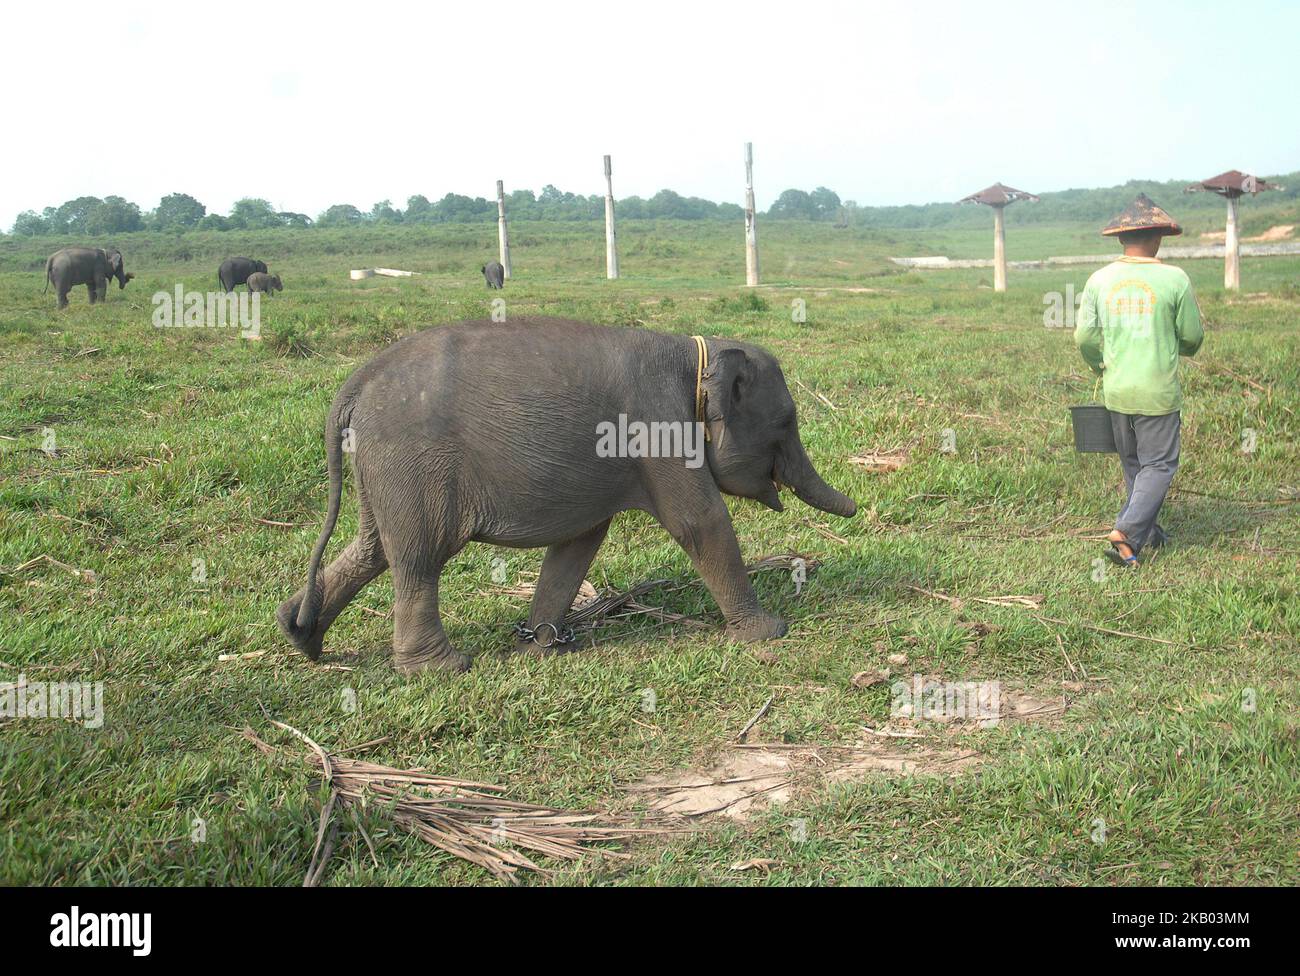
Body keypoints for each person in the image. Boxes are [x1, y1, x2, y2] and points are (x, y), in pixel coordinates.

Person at [1074, 194, 1204, 567]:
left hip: (1117, 391)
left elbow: (1084, 337)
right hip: (1157, 393)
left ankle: (1148, 533)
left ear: (1120, 238)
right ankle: (1127, 532)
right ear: (1159, 238)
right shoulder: (1174, 278)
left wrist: (1101, 365)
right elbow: (1192, 338)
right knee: (1159, 465)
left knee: (1135, 466)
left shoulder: (1099, 280)